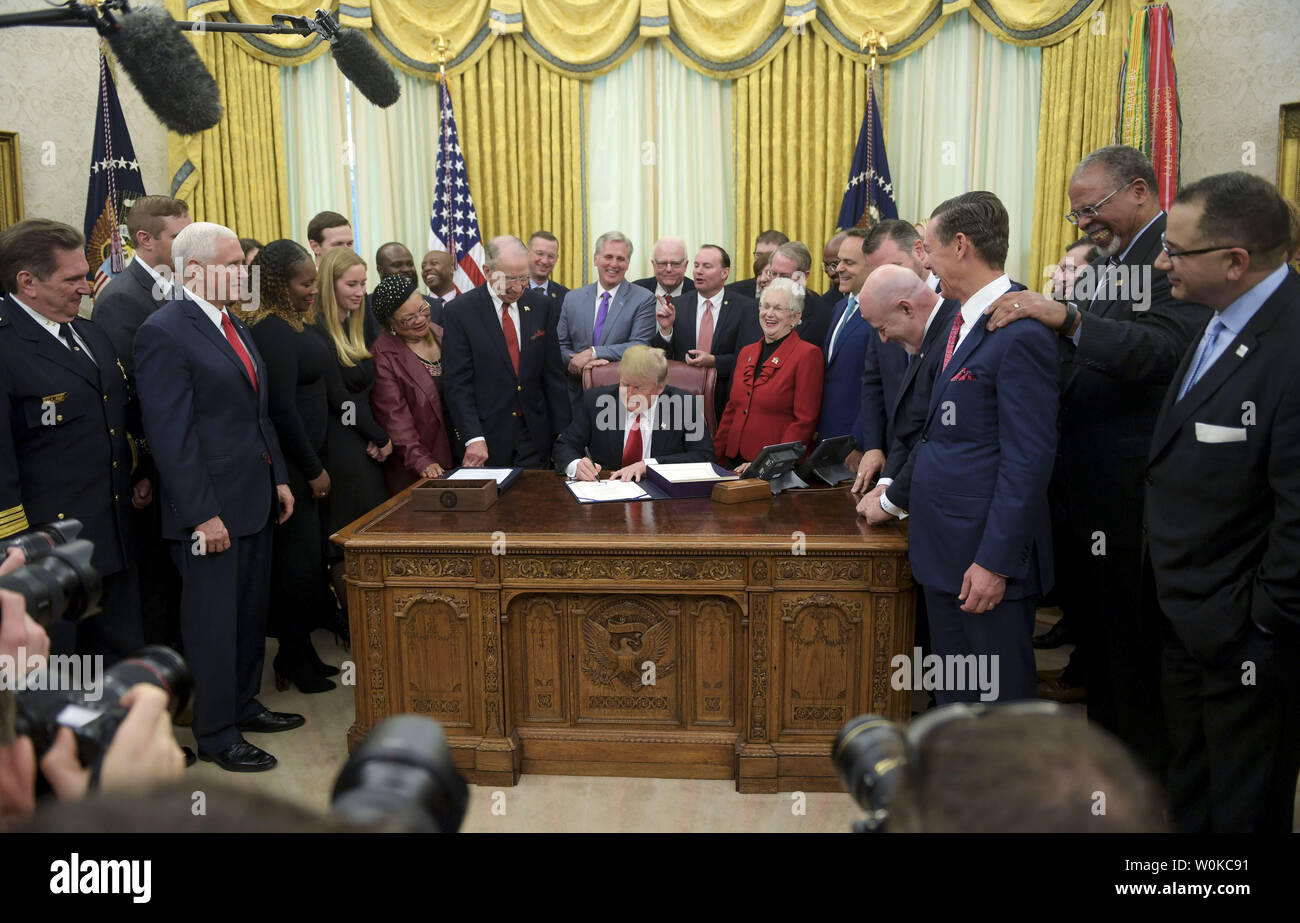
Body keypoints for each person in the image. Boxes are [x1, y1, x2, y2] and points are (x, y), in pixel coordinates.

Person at [985, 146, 1209, 771]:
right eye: (1077, 214)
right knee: (1105, 643)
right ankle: (1110, 769)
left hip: (1136, 493)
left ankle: (1140, 781)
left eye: (1091, 208)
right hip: (1091, 491)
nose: (1084, 223)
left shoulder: (1170, 255)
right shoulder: (1114, 262)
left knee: (1133, 652)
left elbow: (1162, 351)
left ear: (1138, 190)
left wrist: (1065, 316)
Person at [1145, 172, 1300, 832]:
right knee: (1192, 790)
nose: (1161, 264)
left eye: (1175, 251)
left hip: (1246, 638)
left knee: (1244, 806)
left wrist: (1258, 623)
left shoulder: (1290, 344)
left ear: (1235, 261)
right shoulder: (1216, 319)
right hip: (1185, 619)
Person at [134, 221, 301, 772]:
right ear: (194, 270)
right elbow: (170, 436)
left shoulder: (233, 324)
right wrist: (202, 514)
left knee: (249, 616)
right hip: (209, 512)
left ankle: (243, 704)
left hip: (254, 496)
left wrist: (278, 477)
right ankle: (215, 732)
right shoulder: (164, 331)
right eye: (233, 265)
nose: (244, 274)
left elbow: (257, 413)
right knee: (212, 625)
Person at [880, 191, 1057, 705]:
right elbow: (936, 433)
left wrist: (995, 563)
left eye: (928, 249)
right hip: (944, 555)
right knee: (954, 702)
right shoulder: (960, 320)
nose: (924, 262)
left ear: (961, 245)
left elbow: (1027, 459)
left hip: (984, 561)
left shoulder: (1019, 329)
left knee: (998, 710)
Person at [0, 219, 144, 661]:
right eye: (72, 279)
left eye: (86, 275)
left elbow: (115, 418)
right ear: (27, 282)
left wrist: (140, 471)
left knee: (120, 663)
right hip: (47, 552)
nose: (87, 287)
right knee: (58, 673)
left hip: (113, 535)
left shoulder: (89, 333)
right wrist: (15, 547)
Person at [248, 240, 377, 694]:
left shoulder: (296, 322)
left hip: (315, 457)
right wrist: (312, 468)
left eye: (313, 282)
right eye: (304, 283)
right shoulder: (270, 330)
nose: (311, 290)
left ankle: (302, 653)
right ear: (279, 284)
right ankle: (291, 657)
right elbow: (282, 410)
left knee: (307, 565)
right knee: (295, 568)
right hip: (295, 466)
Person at [91, 195, 191, 652]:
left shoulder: (179, 285)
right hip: (154, 466)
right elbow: (130, 395)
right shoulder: (120, 299)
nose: (188, 244)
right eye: (179, 236)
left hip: (184, 456)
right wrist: (143, 470)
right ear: (145, 239)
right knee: (158, 586)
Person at [313, 247, 392, 643]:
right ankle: (359, 633)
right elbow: (339, 399)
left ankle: (375, 627)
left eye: (364, 283)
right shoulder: (318, 331)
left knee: (371, 533)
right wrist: (379, 437)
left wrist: (376, 436)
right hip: (341, 446)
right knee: (346, 539)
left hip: (364, 440)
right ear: (330, 285)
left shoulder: (355, 326)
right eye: (352, 285)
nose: (362, 292)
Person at [440, 236, 570, 468]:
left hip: (534, 436)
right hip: (485, 440)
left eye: (524, 277)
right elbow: (457, 384)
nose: (518, 287)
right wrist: (473, 437)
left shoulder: (542, 307)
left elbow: (553, 376)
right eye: (509, 279)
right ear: (487, 271)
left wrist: (563, 435)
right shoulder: (460, 312)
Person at [848, 221, 935, 488]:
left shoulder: (953, 304)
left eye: (895, 266)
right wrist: (873, 446)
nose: (887, 278)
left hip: (934, 457)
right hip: (892, 456)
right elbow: (873, 382)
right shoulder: (881, 303)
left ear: (918, 251)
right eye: (878, 272)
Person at [555, 344, 714, 480]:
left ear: (660, 388)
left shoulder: (684, 405)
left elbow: (704, 457)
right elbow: (565, 445)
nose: (629, 395)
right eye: (625, 384)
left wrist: (648, 466)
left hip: (662, 498)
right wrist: (576, 466)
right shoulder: (596, 401)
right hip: (608, 491)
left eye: (638, 387)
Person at [713, 278, 823, 472]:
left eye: (778, 308)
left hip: (773, 467)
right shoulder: (746, 352)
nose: (769, 314)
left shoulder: (807, 355)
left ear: (795, 317)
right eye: (765, 306)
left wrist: (768, 463)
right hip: (732, 461)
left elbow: (804, 422)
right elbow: (732, 409)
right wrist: (715, 458)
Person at [650, 244, 757, 420]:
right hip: (681, 398)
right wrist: (666, 330)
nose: (699, 271)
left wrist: (715, 361)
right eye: (696, 265)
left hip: (724, 397)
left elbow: (749, 359)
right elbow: (662, 356)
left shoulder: (745, 307)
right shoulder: (678, 305)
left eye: (707, 266)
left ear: (724, 273)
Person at [370, 274, 454, 491]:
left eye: (423, 309)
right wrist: (421, 460)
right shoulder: (383, 355)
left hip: (461, 451)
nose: (420, 319)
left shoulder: (441, 334)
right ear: (390, 323)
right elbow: (395, 419)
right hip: (422, 466)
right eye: (408, 318)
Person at [557, 231, 656, 402]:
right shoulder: (572, 298)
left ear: (628, 263)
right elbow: (560, 345)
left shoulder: (644, 299)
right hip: (575, 394)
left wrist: (593, 353)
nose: (614, 264)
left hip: (621, 395)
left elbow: (639, 346)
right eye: (608, 257)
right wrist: (578, 363)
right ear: (595, 259)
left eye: (620, 259)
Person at [818, 229, 875, 457]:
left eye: (848, 262)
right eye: (838, 261)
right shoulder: (839, 307)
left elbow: (877, 386)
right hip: (828, 438)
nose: (838, 269)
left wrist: (859, 442)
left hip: (857, 444)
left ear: (872, 264)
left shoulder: (880, 312)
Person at [762, 242, 831, 350]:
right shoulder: (750, 310)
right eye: (773, 274)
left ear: (804, 276)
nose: (777, 281)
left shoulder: (823, 315)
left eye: (785, 276)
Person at [727, 229, 788, 300]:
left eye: (770, 255)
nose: (763, 260)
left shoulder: (796, 292)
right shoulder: (732, 292)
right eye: (759, 255)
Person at [526, 230, 568, 304]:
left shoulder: (565, 296)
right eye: (540, 254)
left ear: (556, 259)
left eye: (551, 256)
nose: (544, 261)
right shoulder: (513, 292)